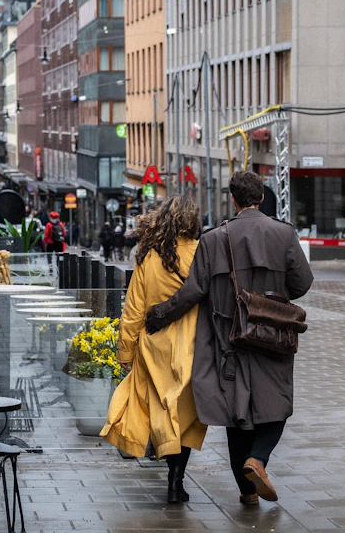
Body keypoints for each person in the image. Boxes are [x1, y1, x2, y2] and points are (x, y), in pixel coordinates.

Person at [145, 170, 313, 505]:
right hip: (272, 336)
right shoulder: (283, 233)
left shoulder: (212, 240)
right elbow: (302, 283)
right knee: (277, 405)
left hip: (228, 341)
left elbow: (193, 291)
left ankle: (248, 492)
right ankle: (258, 460)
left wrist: (158, 315)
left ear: (233, 199)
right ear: (261, 197)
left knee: (238, 418)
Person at [102, 196, 207, 504]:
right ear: (192, 221)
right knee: (185, 416)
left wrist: (125, 351)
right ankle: (176, 479)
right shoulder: (201, 253)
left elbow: (133, 310)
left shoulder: (149, 256)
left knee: (163, 410)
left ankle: (170, 472)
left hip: (154, 344)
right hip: (192, 344)